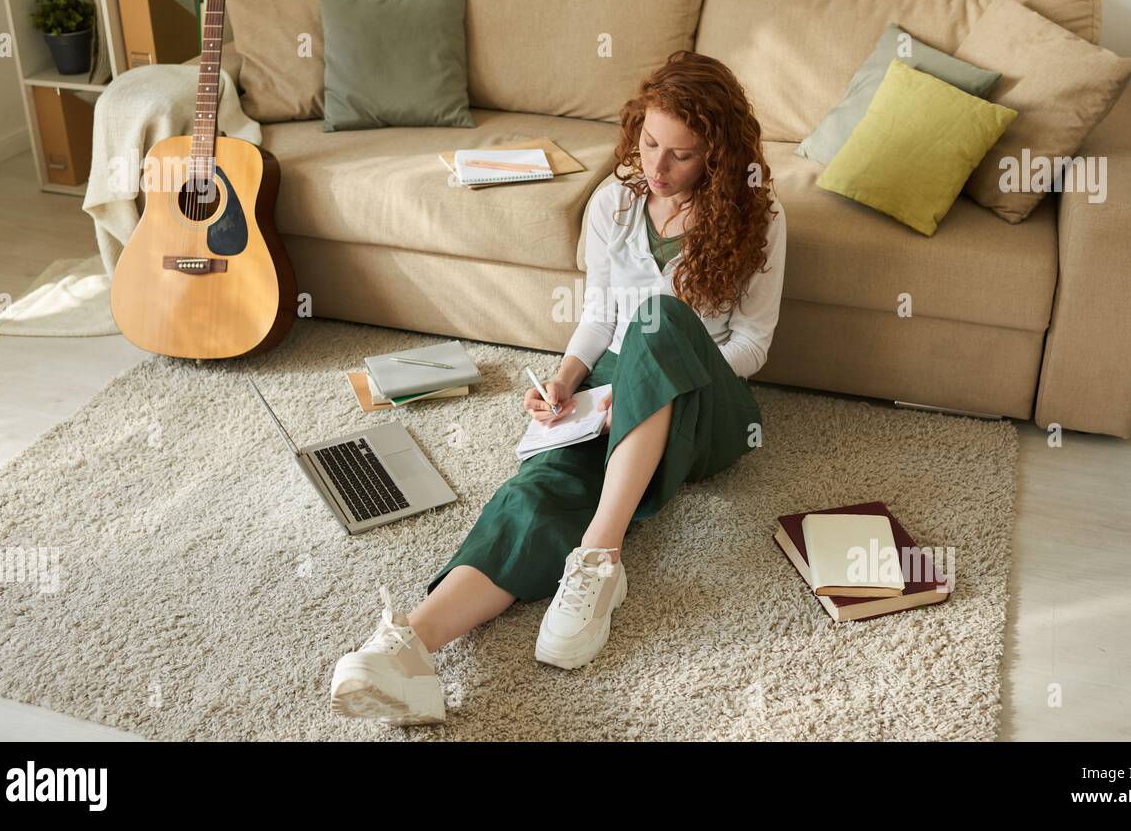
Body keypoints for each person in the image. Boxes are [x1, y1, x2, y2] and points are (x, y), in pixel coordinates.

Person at [329, 50, 787, 725]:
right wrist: (567, 380)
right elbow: (600, 315)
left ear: (718, 157)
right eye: (648, 143)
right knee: (536, 489)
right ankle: (409, 645)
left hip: (708, 406)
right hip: (622, 385)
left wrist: (667, 364)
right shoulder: (614, 201)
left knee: (659, 320)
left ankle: (601, 557)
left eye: (680, 156)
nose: (655, 169)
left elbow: (752, 344)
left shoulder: (762, 218)